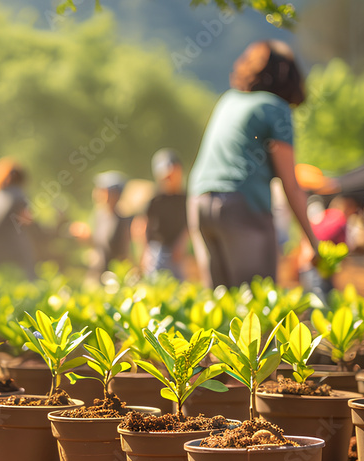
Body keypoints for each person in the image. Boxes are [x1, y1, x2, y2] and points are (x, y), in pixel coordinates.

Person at [187, 39, 320, 288]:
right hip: (241, 204)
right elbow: (290, 184)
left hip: (199, 201)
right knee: (256, 303)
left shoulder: (228, 100)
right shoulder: (275, 107)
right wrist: (312, 242)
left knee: (221, 303)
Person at [70, 171, 133, 277]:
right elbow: (98, 245)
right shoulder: (100, 215)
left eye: (102, 190)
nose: (97, 193)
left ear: (114, 194)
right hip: (97, 273)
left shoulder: (123, 221)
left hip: (114, 277)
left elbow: (126, 254)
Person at [139, 149, 189, 279]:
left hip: (176, 252)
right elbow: (143, 224)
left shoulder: (186, 199)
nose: (168, 179)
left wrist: (182, 243)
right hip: (156, 250)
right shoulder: (155, 199)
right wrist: (146, 252)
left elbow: (189, 225)